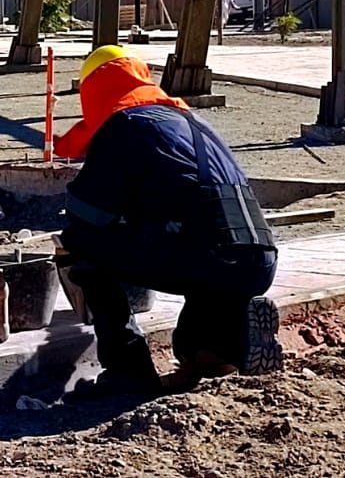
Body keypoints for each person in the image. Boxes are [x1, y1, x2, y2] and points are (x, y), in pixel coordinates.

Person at [55, 45, 281, 396]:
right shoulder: (193, 121)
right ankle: (231, 343)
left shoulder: (123, 125)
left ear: (94, 94)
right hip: (258, 257)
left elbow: (88, 213)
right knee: (193, 342)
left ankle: (128, 368)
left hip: (204, 254)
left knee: (81, 242)